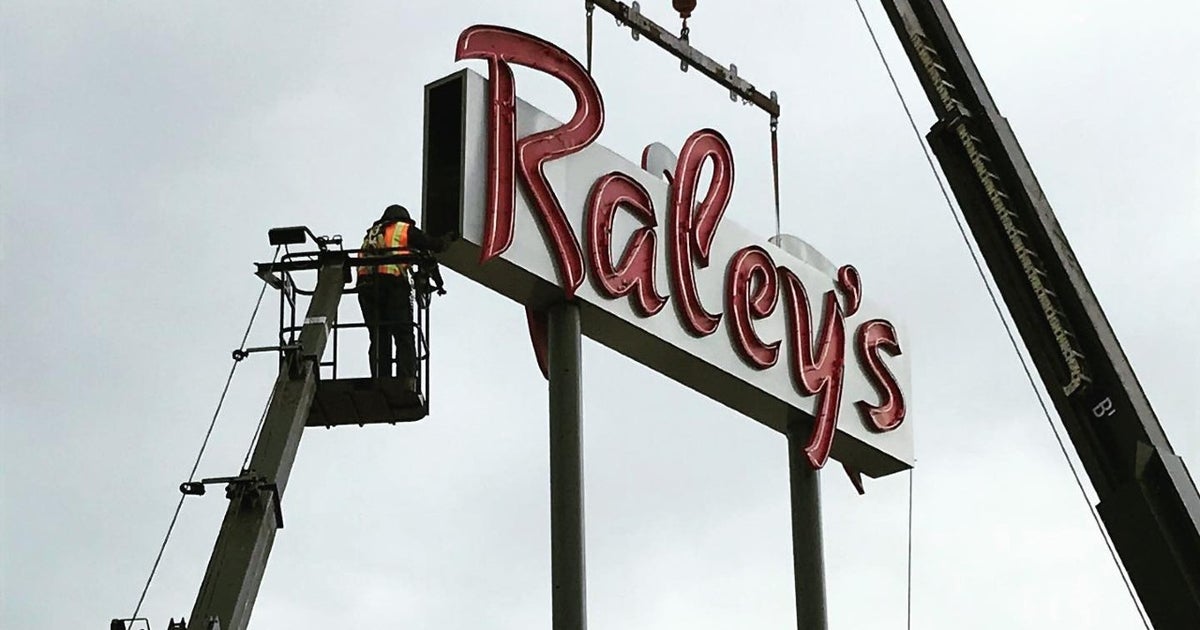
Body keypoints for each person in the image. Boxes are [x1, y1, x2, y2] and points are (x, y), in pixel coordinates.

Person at [355, 204, 446, 388]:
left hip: (366, 288)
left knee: (379, 335)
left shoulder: (372, 234)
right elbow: (431, 245)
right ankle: (407, 378)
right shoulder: (403, 230)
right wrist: (446, 241)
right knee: (403, 333)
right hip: (392, 284)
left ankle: (381, 378)